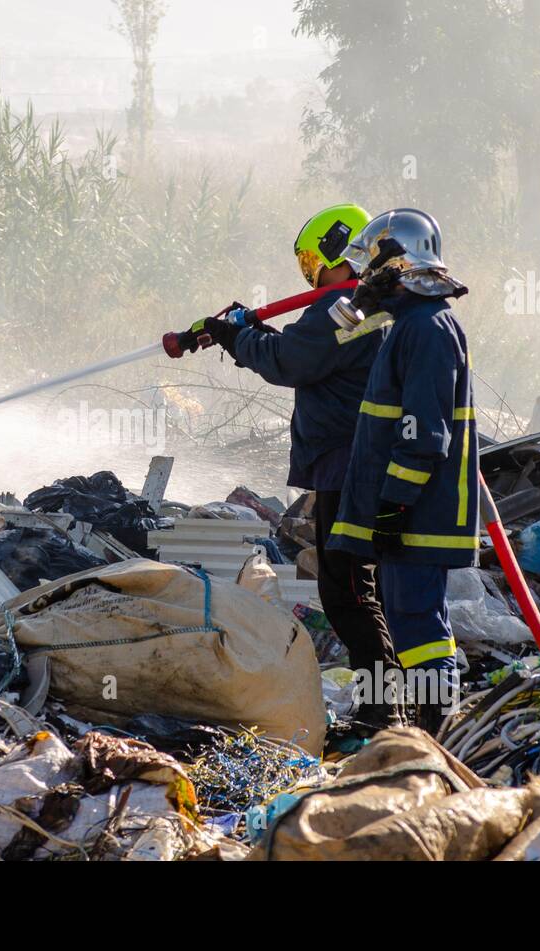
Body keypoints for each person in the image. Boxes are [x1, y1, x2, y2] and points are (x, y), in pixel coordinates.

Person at [202, 203, 402, 731]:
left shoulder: (350, 307)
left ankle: (384, 714)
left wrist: (234, 338)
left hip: (348, 466)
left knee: (348, 590)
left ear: (338, 252)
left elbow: (292, 360)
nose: (311, 272)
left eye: (314, 259)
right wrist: (246, 334)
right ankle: (388, 707)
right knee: (358, 588)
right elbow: (301, 348)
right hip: (359, 463)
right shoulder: (373, 305)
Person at [325, 207, 478, 734]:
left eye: (372, 266)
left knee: (418, 626)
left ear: (400, 261)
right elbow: (330, 349)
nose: (363, 277)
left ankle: (435, 734)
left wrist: (394, 505)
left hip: (419, 510)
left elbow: (423, 434)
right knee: (410, 621)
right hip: (407, 509)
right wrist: (359, 307)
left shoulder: (429, 329)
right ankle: (424, 727)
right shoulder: (407, 324)